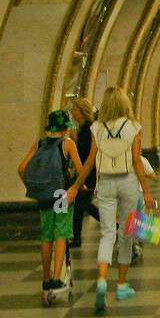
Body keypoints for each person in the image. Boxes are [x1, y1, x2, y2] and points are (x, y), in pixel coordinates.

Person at [69, 87, 155, 312]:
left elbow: (89, 162)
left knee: (107, 234)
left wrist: (76, 186)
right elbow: (137, 161)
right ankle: (122, 285)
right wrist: (145, 190)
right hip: (127, 182)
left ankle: (101, 280)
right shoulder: (134, 127)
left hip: (105, 182)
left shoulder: (97, 127)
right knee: (126, 235)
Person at [18, 108, 84, 299]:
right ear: (65, 128)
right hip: (60, 195)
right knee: (61, 233)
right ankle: (57, 278)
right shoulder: (67, 144)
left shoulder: (39, 144)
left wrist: (33, 188)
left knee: (46, 237)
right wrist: (77, 186)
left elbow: (21, 169)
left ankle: (46, 279)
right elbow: (80, 170)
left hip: (44, 197)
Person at [68, 97, 99, 247]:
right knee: (82, 204)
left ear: (82, 112)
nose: (72, 113)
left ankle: (129, 230)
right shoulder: (85, 129)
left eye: (74, 110)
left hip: (90, 174)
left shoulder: (89, 130)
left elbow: (88, 157)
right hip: (95, 175)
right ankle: (76, 237)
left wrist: (75, 141)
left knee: (84, 205)